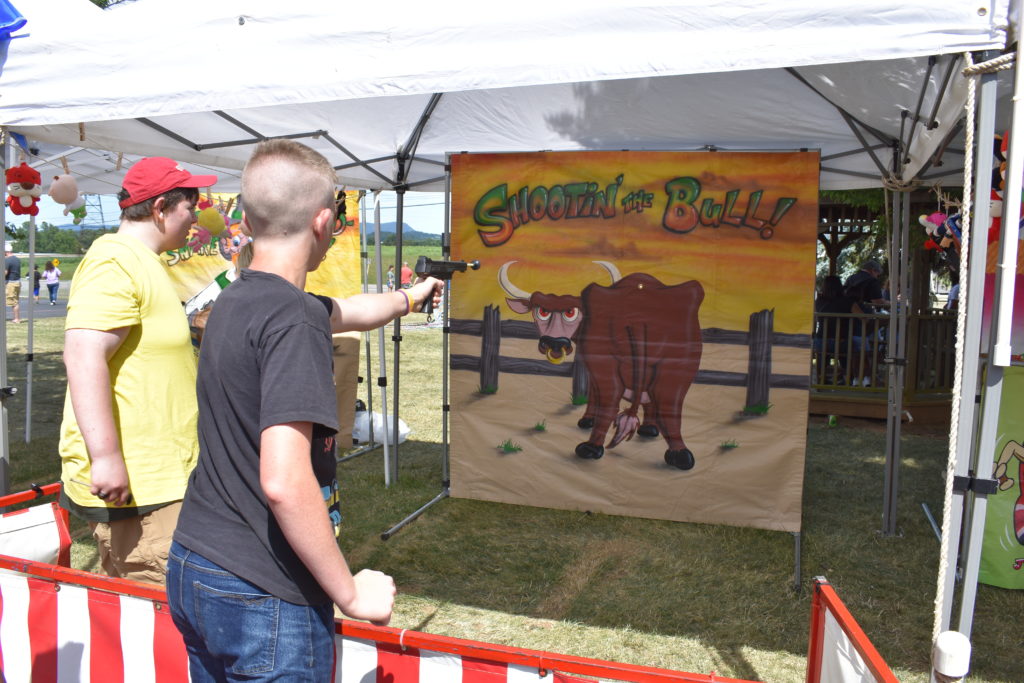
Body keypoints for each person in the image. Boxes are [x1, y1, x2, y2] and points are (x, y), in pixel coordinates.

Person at [167, 139, 442, 682]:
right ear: (323, 223)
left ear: (245, 218)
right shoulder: (294, 321)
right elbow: (285, 480)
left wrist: (411, 297)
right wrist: (350, 592)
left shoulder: (236, 299)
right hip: (262, 589)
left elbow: (355, 310)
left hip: (197, 562)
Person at [58, 157, 217, 585]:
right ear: (162, 207)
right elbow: (83, 355)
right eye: (192, 205)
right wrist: (106, 458)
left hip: (161, 477)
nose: (196, 216)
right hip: (142, 488)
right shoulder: (115, 261)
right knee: (161, 609)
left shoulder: (145, 260)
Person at [5, 243, 21, 323]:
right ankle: (16, 318)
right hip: (17, 282)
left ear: (6, 252)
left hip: (10, 283)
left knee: (13, 301)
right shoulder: (17, 259)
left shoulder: (7, 260)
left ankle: (17, 319)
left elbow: (5, 272)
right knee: (15, 300)